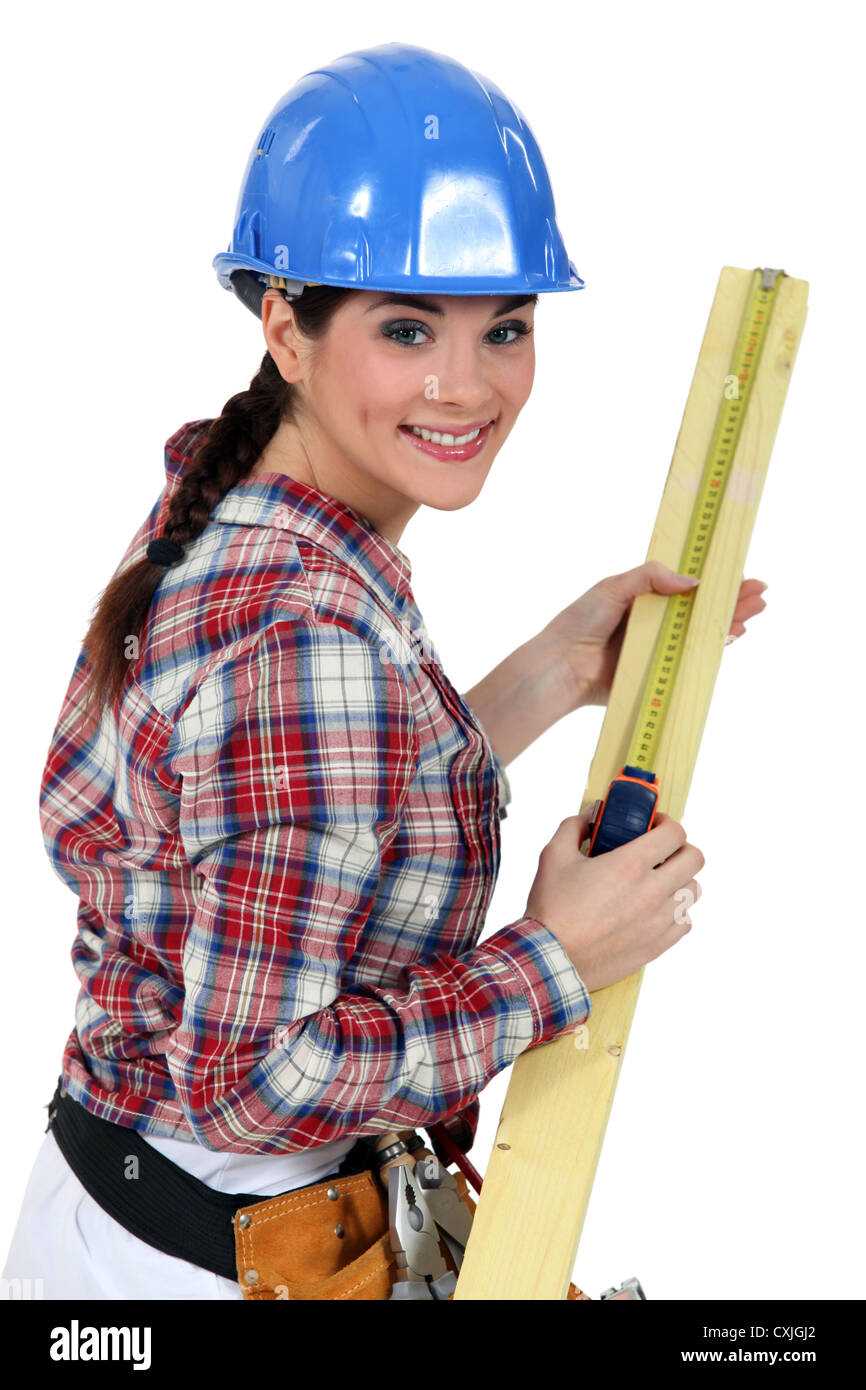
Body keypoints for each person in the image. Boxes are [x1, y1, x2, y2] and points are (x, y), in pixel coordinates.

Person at [2, 42, 766, 1302]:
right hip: (225, 1255)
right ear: (283, 326)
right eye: (406, 327)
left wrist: (548, 672)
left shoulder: (233, 507)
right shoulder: (309, 637)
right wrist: (556, 957)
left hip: (116, 1213)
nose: (466, 386)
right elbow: (254, 1084)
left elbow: (278, 817)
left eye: (504, 328)